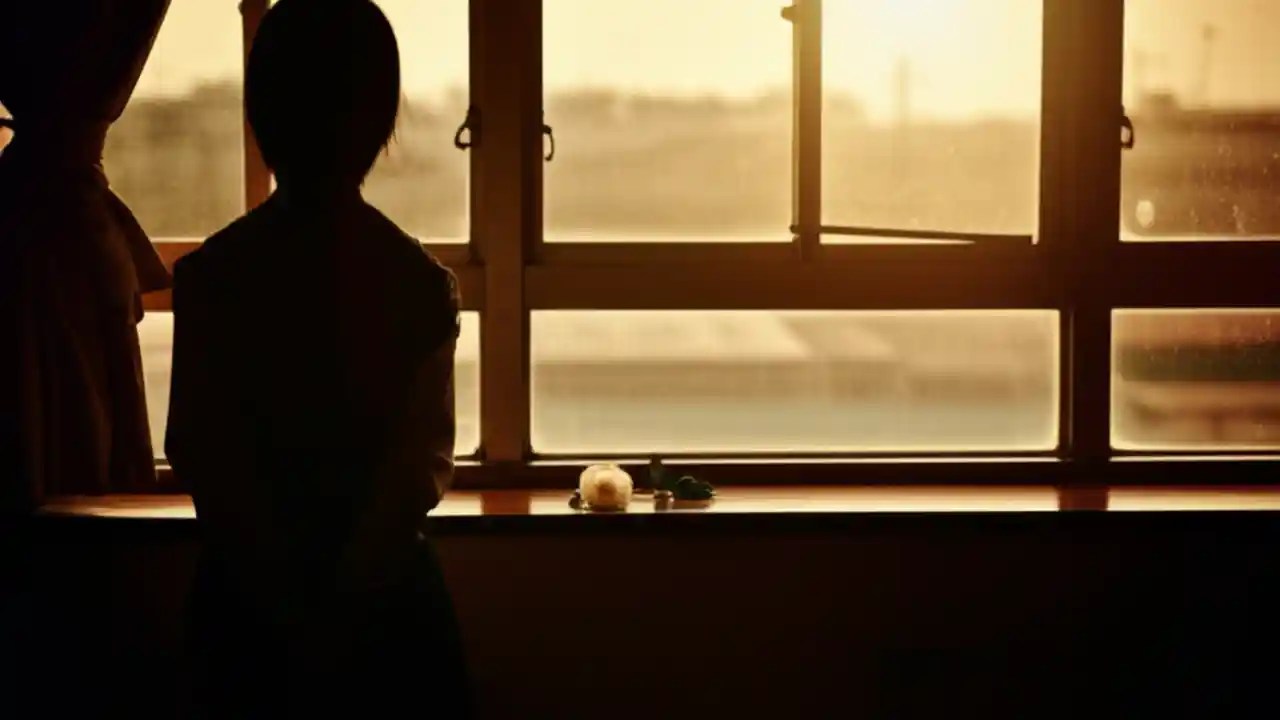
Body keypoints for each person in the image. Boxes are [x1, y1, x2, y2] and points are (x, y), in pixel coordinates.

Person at [165, 1, 470, 715]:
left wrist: (284, 609)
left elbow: (202, 452)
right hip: (391, 625)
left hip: (241, 622)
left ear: (262, 115)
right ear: (380, 122)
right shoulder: (419, 286)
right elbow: (414, 475)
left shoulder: (211, 278)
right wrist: (339, 614)